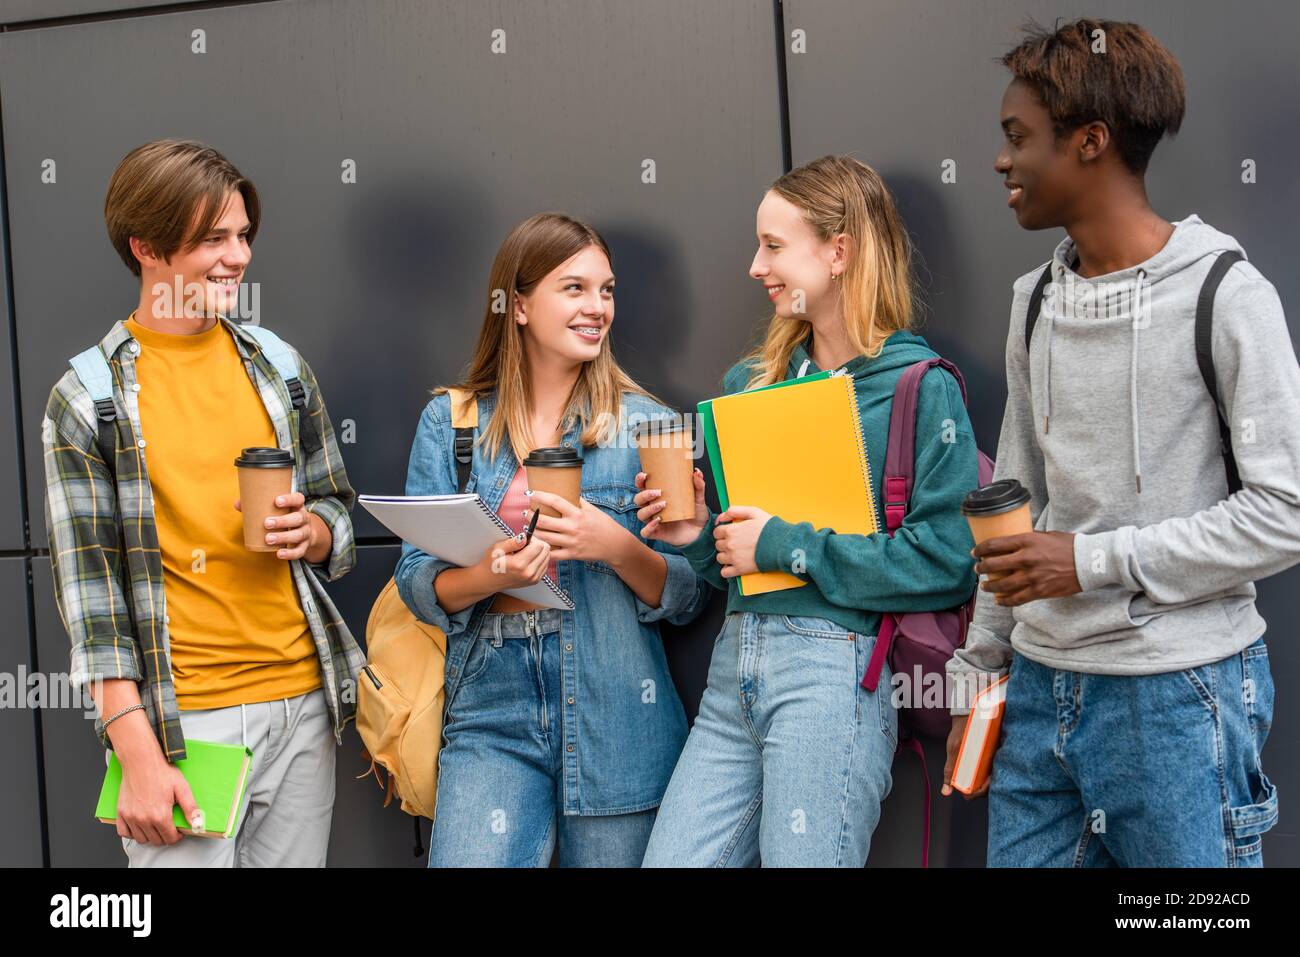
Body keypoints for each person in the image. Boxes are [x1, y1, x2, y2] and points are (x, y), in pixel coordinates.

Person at [943, 19, 1298, 867]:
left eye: (1018, 137)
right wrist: (979, 666)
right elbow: (1011, 504)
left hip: (1180, 699)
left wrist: (1092, 561)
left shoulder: (1225, 293)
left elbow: (1285, 512)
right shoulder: (1033, 302)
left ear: (1091, 142)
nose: (1001, 160)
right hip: (1036, 695)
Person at [641, 155, 979, 867]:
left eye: (772, 245)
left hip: (833, 676)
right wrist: (702, 535)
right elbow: (734, 561)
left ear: (839, 251)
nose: (754, 266)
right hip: (734, 671)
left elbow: (947, 561)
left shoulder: (920, 386)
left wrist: (784, 544)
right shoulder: (750, 386)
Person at [43, 139, 362, 866]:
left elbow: (339, 511)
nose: (238, 255)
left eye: (243, 234)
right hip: (186, 727)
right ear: (146, 246)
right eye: (213, 237)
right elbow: (93, 608)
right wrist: (138, 754)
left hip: (303, 707)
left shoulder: (278, 366)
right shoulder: (87, 398)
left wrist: (311, 528)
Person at [394, 212, 711, 867]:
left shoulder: (648, 425)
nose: (598, 307)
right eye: (575, 288)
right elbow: (418, 582)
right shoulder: (451, 423)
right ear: (517, 304)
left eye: (607, 290)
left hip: (618, 707)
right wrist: (493, 574)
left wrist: (613, 544)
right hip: (490, 705)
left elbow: (689, 594)